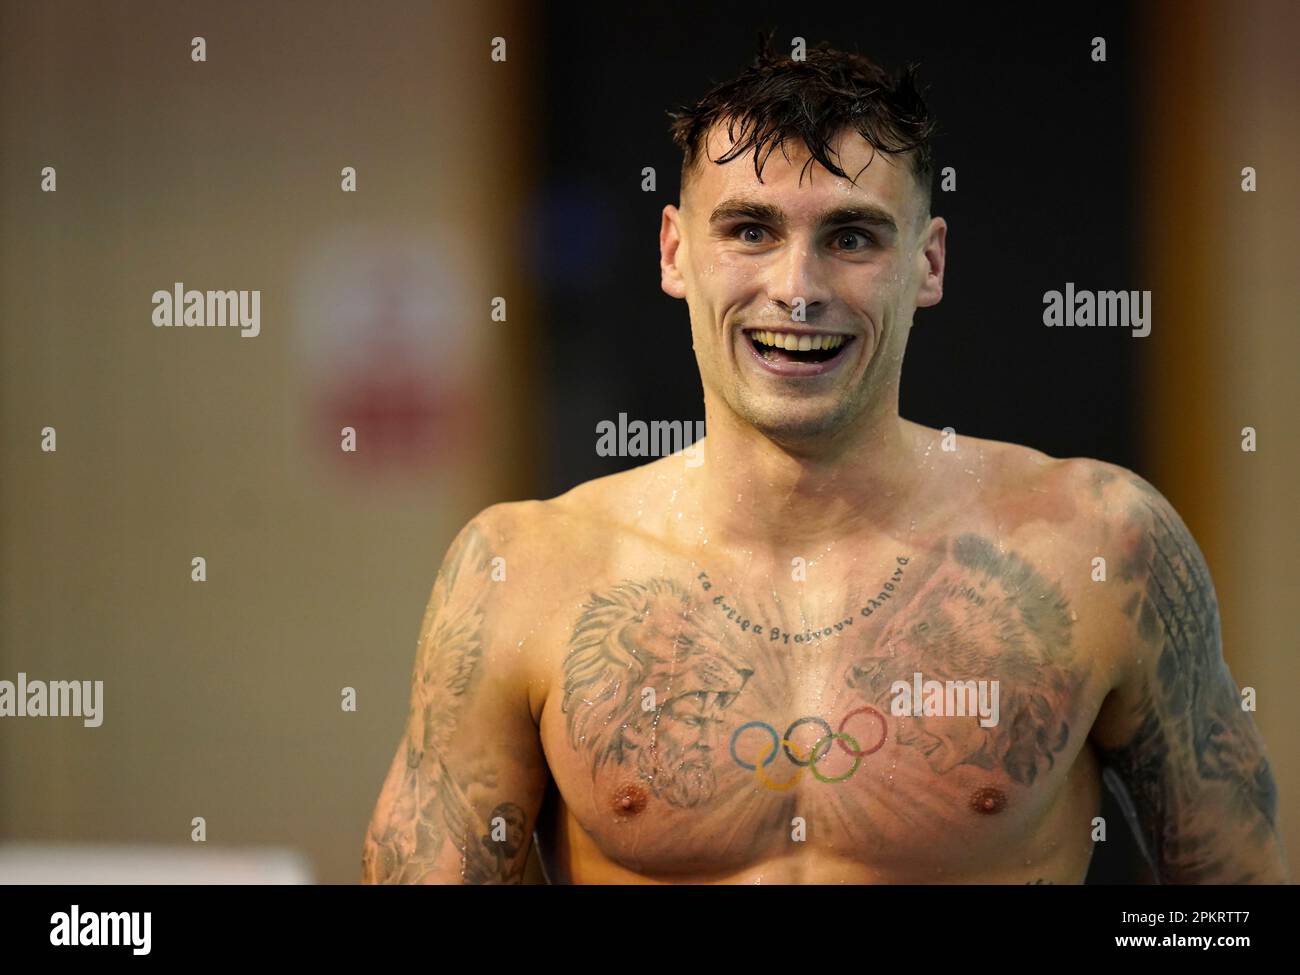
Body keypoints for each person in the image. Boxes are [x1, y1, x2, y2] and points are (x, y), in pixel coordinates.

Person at [361, 38, 1287, 884]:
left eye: (850, 236)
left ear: (927, 264)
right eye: (750, 230)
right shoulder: (523, 570)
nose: (797, 291)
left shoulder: (1100, 541)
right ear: (676, 250)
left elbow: (1230, 902)